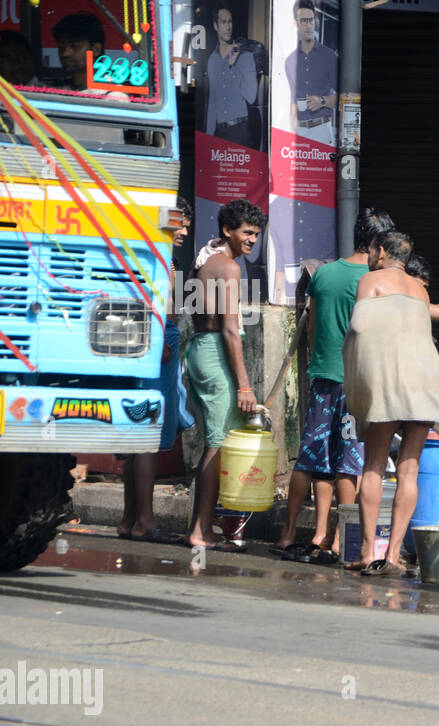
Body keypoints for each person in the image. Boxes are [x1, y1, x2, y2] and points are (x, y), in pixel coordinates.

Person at [342, 230, 439, 576]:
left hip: (389, 385)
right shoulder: (419, 289)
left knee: (373, 465)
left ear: (383, 252)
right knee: (409, 469)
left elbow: (359, 326)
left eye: (372, 250)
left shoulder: (371, 281)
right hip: (424, 385)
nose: (370, 256)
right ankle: (392, 557)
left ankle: (365, 550)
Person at [274, 208, 393, 563]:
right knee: (349, 464)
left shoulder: (322, 274)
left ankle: (292, 534)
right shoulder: (374, 282)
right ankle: (339, 540)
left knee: (311, 459)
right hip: (354, 381)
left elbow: (312, 329)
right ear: (377, 245)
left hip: (321, 376)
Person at [185, 198, 266, 550]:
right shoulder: (229, 268)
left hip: (202, 349)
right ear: (227, 231)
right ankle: (200, 530)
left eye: (257, 234)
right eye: (247, 233)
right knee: (217, 443)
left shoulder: (207, 260)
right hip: (216, 352)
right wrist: (245, 385)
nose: (252, 240)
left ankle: (199, 527)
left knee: (214, 441)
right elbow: (231, 331)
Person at [118, 199, 194, 542]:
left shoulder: (149, 252)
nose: (185, 231)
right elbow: (143, 300)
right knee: (147, 433)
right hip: (156, 339)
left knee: (139, 433)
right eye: (181, 224)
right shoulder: (153, 255)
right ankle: (144, 520)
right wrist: (159, 338)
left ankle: (130, 519)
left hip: (153, 338)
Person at [204, 5, 258, 148]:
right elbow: (212, 101)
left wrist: (233, 67)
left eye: (230, 22)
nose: (228, 27)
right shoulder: (212, 61)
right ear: (216, 26)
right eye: (223, 22)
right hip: (219, 132)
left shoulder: (246, 57)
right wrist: (208, 138)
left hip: (240, 131)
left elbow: (251, 96)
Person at [285, 0, 337, 146]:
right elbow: (292, 102)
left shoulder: (329, 56)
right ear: (296, 24)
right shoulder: (290, 61)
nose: (308, 25)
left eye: (311, 20)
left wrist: (322, 101)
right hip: (299, 132)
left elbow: (342, 97)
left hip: (322, 130)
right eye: (304, 21)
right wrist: (291, 131)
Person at [53, 13, 103, 91]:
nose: (65, 53)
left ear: (96, 49)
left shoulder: (111, 95)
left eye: (74, 46)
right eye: (61, 47)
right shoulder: (54, 89)